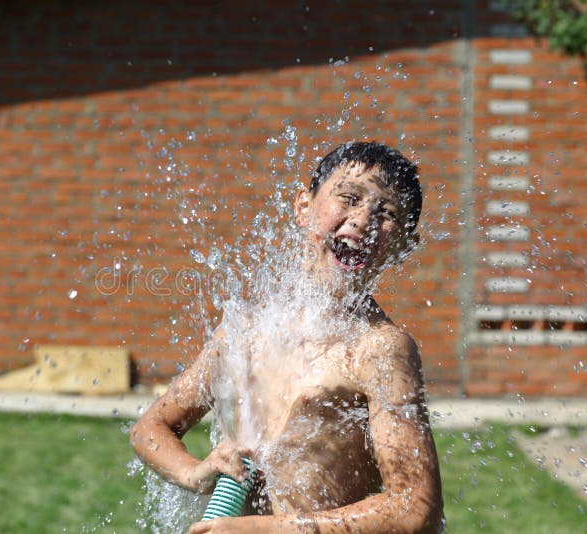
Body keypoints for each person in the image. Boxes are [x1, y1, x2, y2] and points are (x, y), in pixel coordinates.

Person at [130, 141, 444, 533]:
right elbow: (151, 428)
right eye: (348, 198)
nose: (363, 220)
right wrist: (196, 473)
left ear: (403, 246)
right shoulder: (245, 333)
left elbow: (417, 509)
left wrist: (261, 530)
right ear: (303, 206)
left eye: (388, 214)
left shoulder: (378, 349)